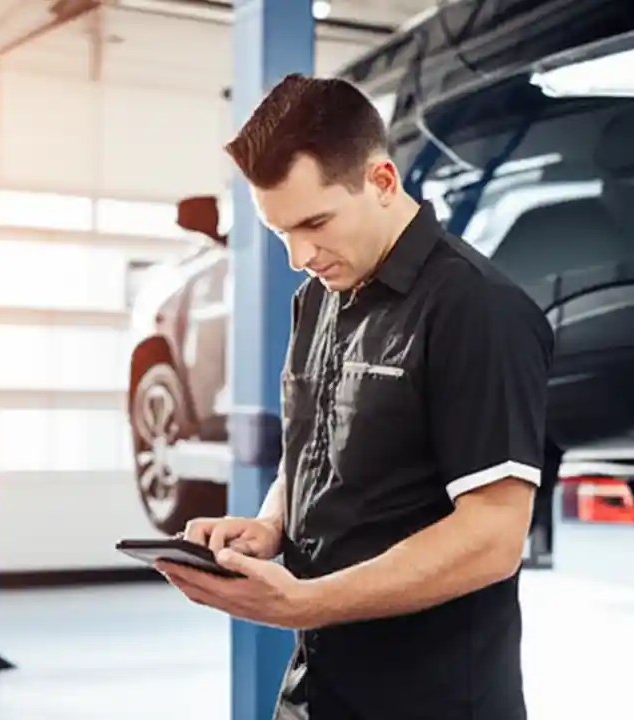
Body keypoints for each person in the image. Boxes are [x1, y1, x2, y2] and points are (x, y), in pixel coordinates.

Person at [154, 74, 555, 720]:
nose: (299, 255)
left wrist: (305, 603)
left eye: (315, 222)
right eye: (280, 231)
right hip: (317, 692)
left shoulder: (477, 309)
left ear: (383, 181)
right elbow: (311, 450)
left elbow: (493, 536)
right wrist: (269, 526)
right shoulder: (317, 300)